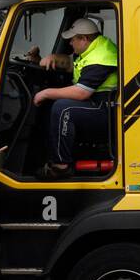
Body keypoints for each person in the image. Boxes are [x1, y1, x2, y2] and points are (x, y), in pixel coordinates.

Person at [32, 18, 118, 180]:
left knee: (63, 108)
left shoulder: (101, 56)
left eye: (73, 39)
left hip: (106, 108)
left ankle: (61, 166)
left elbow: (81, 93)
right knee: (53, 106)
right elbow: (72, 63)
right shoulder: (93, 48)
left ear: (84, 39)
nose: (70, 43)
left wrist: (45, 92)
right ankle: (43, 156)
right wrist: (51, 57)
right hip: (97, 102)